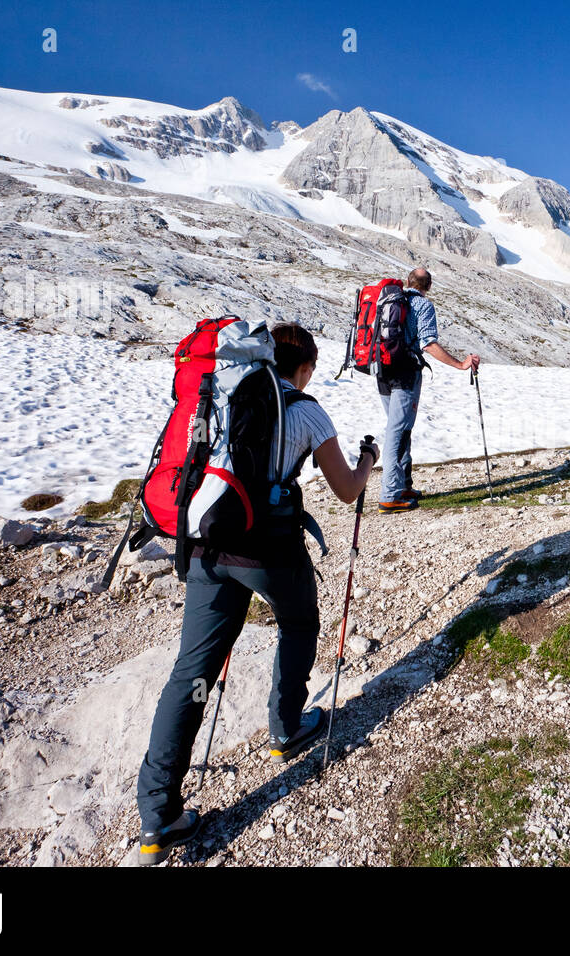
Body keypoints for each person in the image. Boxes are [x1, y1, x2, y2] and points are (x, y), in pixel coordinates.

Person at [136, 322, 379, 865]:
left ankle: (157, 817)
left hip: (203, 541)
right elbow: (345, 490)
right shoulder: (306, 408)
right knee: (299, 623)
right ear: (306, 367)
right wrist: (367, 462)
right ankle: (287, 726)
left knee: (192, 670)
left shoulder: (230, 401)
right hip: (265, 549)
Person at [378, 267, 480, 513]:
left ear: (408, 282)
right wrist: (459, 364)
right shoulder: (423, 306)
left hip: (381, 371)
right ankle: (389, 496)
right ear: (429, 285)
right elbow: (427, 343)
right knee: (397, 431)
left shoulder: (387, 300)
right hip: (405, 373)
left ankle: (403, 485)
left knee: (400, 429)